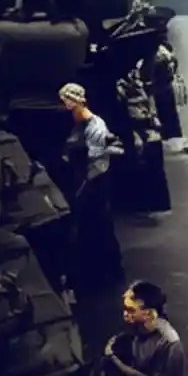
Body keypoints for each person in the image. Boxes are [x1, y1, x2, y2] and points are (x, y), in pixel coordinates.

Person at [60, 82, 124, 286]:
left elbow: (96, 161)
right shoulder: (78, 125)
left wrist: (84, 185)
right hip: (84, 180)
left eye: (67, 102)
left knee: (100, 226)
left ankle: (109, 271)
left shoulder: (95, 126)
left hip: (94, 181)